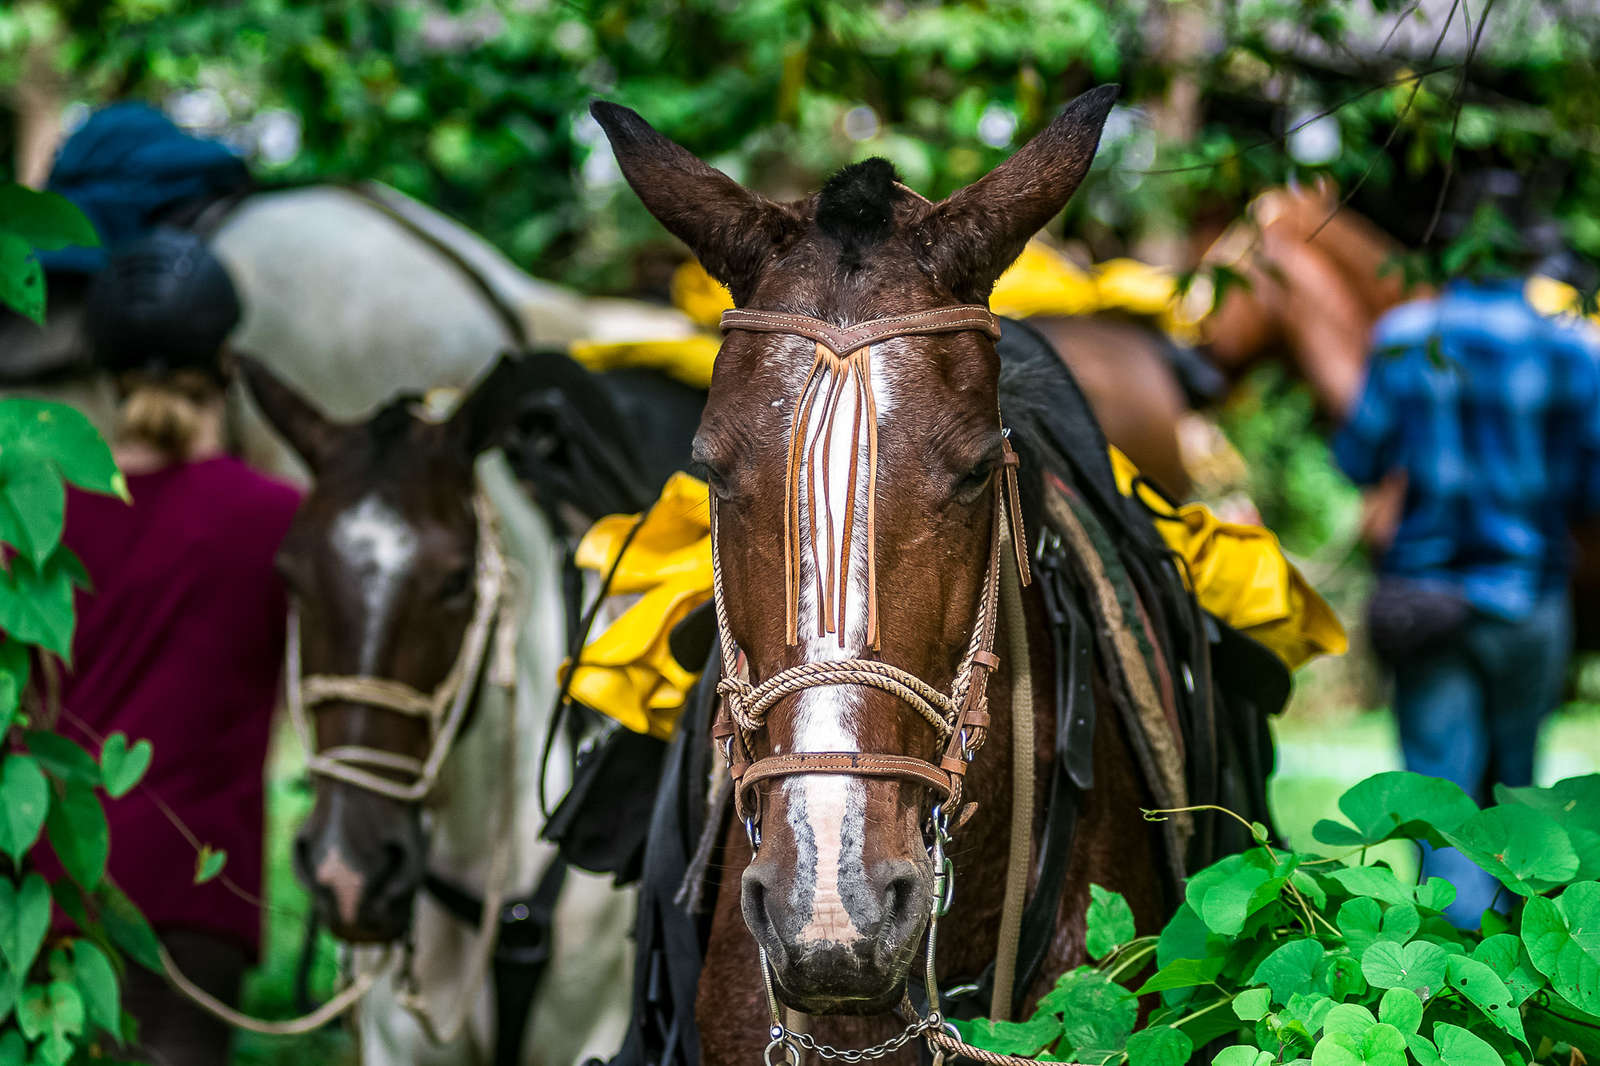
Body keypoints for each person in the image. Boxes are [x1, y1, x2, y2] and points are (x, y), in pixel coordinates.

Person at [55, 228, 299, 1065]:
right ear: (226, 368)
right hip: (199, 904)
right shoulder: (275, 518)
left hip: (46, 889)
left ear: (105, 375)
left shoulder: (36, 523)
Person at [1332, 171, 1600, 927]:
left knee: (1442, 808)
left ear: (1452, 248)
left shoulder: (1405, 338)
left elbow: (1357, 458)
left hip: (1426, 600)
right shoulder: (1573, 348)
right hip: (1528, 599)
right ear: (1529, 256)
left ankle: (1443, 998)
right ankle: (1528, 990)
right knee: (1519, 801)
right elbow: (1592, 488)